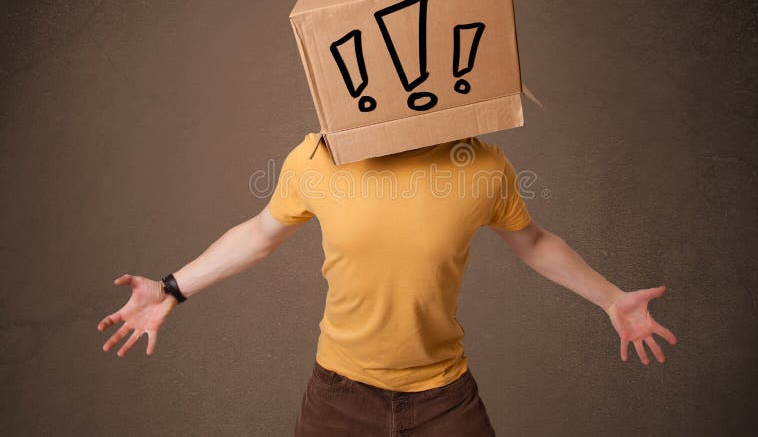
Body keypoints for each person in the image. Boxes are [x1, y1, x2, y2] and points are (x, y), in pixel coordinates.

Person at [97, 133, 677, 436]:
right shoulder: (319, 159)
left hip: (445, 398)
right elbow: (259, 234)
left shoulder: (479, 165)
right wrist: (171, 287)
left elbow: (532, 241)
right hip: (338, 398)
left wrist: (611, 298)